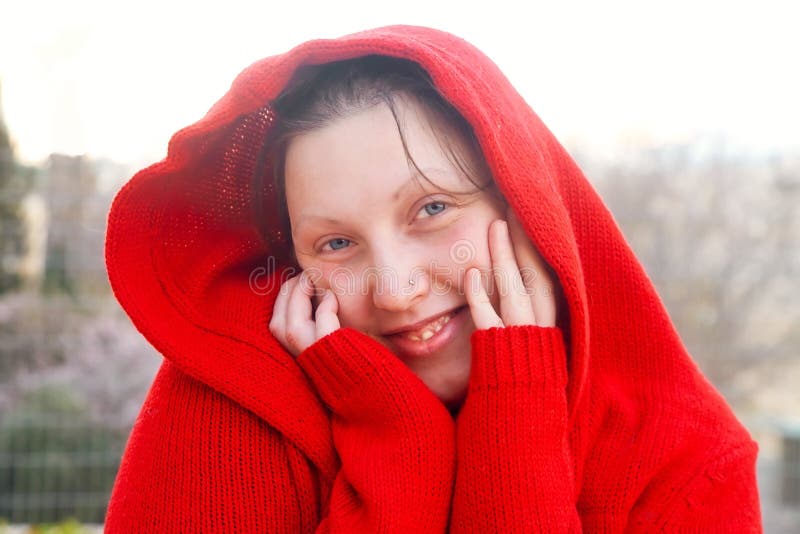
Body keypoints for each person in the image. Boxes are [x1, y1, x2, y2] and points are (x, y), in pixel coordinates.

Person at [103, 25, 762, 532]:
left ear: (523, 206)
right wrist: (397, 441)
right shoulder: (233, 409)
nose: (395, 288)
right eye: (336, 242)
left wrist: (517, 423)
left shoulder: (684, 467)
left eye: (432, 209)